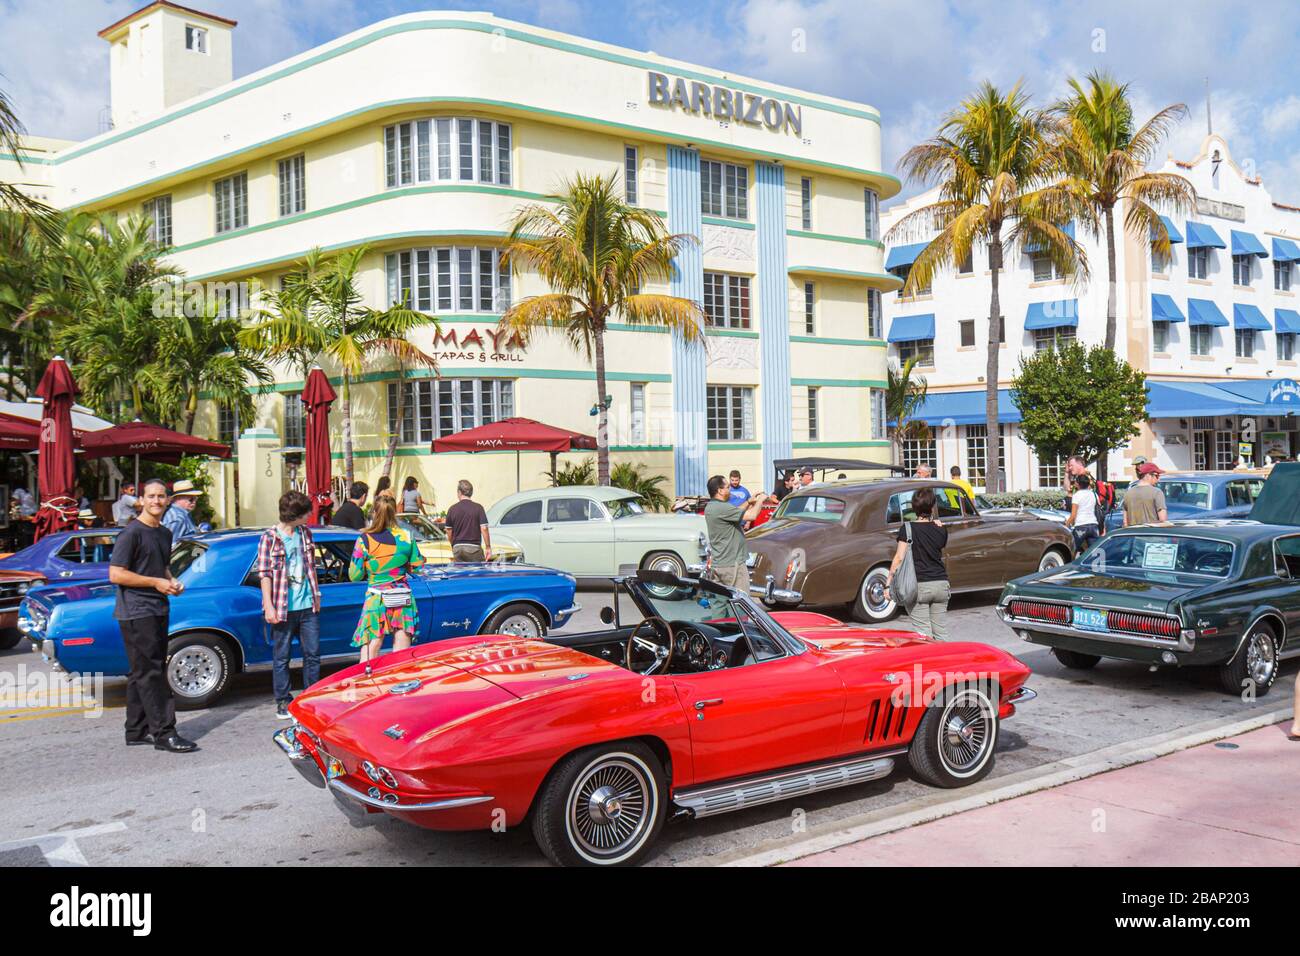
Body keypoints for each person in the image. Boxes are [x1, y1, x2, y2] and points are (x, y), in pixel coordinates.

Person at [107, 478, 195, 753]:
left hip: (157, 606)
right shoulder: (131, 533)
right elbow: (116, 574)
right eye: (151, 496)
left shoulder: (164, 533)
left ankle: (136, 729)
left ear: (168, 499)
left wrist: (171, 581)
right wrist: (155, 583)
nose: (156, 501)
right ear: (141, 500)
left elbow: (160, 567)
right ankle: (164, 732)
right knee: (153, 672)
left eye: (161, 496)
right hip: (136, 610)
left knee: (141, 671)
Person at [257, 491, 322, 720]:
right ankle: (283, 701)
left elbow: (311, 567)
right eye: (306, 513)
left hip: (307, 604)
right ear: (295, 515)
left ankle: (312, 696)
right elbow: (264, 573)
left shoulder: (305, 533)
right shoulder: (270, 537)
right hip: (283, 606)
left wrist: (316, 594)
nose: (310, 515)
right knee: (282, 656)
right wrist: (269, 605)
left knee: (312, 653)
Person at [349, 493, 426, 663]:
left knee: (372, 645)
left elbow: (354, 576)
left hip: (376, 598)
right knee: (401, 649)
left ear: (374, 513)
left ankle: (367, 683)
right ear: (394, 513)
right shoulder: (407, 536)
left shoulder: (364, 539)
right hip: (402, 596)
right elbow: (418, 567)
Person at [885, 485, 949, 639]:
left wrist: (888, 584)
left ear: (913, 507)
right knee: (940, 633)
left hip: (918, 586)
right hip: (941, 584)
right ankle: (944, 662)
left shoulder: (907, 529)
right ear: (933, 507)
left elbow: (899, 558)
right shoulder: (941, 529)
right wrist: (936, 522)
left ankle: (923, 665)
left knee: (924, 635)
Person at [703, 474, 766, 592]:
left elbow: (735, 512)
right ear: (720, 491)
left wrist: (748, 501)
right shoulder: (722, 508)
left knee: (720, 603)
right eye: (727, 487)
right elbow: (752, 516)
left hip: (719, 564)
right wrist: (761, 500)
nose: (730, 489)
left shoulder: (712, 506)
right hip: (732, 565)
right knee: (741, 602)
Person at [445, 479, 492, 562]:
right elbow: (484, 528)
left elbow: (448, 530)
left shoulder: (452, 509)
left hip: (457, 548)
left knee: (461, 573)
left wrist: (453, 544)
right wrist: (488, 547)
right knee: (477, 573)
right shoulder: (478, 508)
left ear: (459, 492)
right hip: (474, 548)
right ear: (471, 493)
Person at [1065, 473, 1101, 551]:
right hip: (1093, 525)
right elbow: (1098, 508)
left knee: (1072, 550)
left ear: (1078, 484)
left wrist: (1066, 525)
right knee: (1094, 552)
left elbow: (1073, 515)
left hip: (1081, 527)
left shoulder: (1077, 495)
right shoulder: (1094, 494)